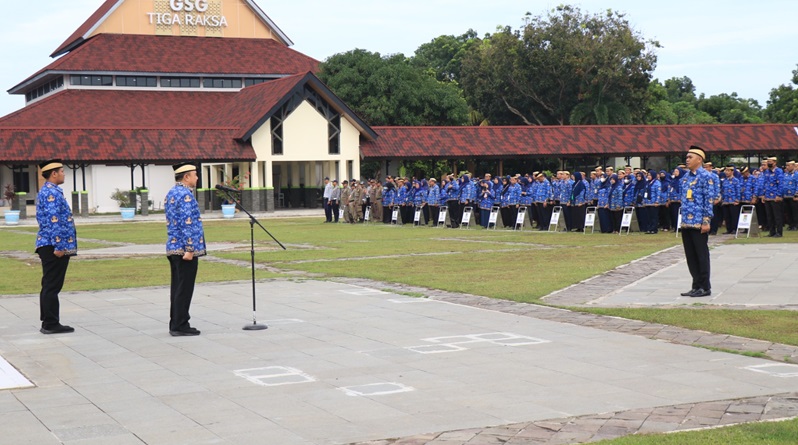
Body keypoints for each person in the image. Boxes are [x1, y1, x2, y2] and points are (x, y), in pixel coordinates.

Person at [35, 159, 78, 334]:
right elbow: (55, 222)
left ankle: (48, 320)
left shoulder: (49, 191)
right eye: (61, 171)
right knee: (52, 285)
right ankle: (50, 323)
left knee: (49, 284)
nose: (63, 173)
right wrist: (59, 246)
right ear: (53, 173)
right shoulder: (51, 193)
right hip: (54, 246)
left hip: (50, 244)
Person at [165, 162, 206, 336]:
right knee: (184, 288)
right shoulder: (186, 196)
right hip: (184, 250)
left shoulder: (172, 193)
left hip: (174, 246)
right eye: (195, 174)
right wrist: (190, 249)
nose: (197, 178)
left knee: (177, 287)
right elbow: (187, 224)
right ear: (186, 177)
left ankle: (176, 322)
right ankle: (181, 324)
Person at [679, 146, 714, 298]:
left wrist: (706, 220)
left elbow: (709, 199)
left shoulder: (706, 176)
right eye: (686, 157)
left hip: (699, 222)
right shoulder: (686, 177)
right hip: (687, 221)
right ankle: (696, 285)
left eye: (690, 157)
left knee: (701, 255)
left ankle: (705, 286)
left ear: (699, 159)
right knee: (690, 255)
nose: (687, 160)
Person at [762, 157, 784, 237]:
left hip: (775, 197)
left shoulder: (779, 171)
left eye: (770, 161)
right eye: (768, 161)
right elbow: (764, 183)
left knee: (777, 216)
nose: (768, 163)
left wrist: (779, 195)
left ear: (774, 162)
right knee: (769, 216)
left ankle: (779, 232)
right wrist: (763, 195)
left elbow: (780, 184)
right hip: (767, 196)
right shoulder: (766, 172)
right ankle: (772, 232)